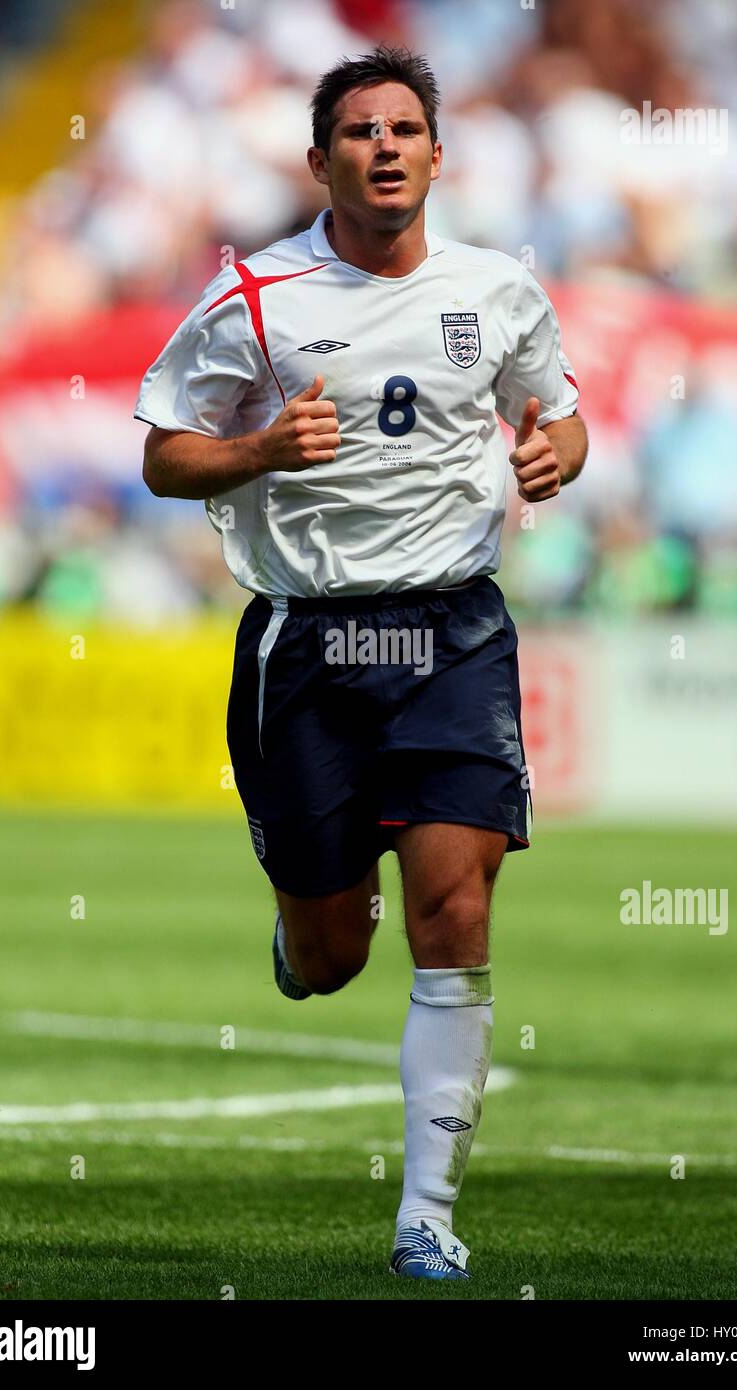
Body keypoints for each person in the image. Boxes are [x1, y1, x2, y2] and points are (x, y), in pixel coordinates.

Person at [136, 44, 587, 1283]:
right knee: (334, 954)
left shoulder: (497, 290)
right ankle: (304, 932)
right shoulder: (254, 299)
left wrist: (560, 454)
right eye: (357, 131)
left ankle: (426, 1212)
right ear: (320, 159)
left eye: (403, 129)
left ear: (436, 155)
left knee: (455, 906)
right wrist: (259, 452)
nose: (382, 146)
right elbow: (167, 455)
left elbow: (561, 412)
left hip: (451, 632)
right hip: (307, 644)